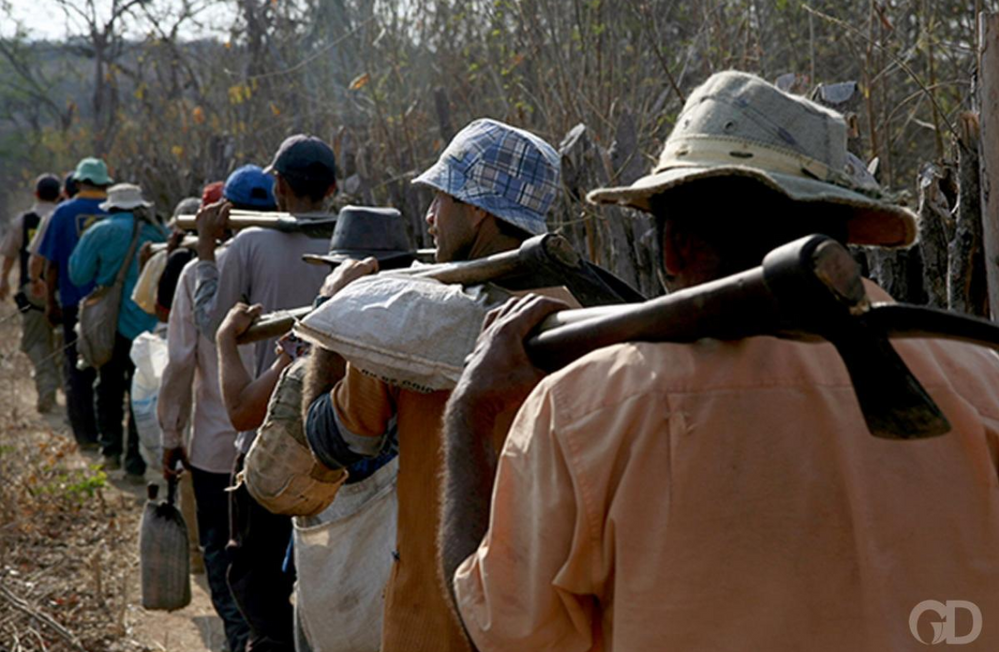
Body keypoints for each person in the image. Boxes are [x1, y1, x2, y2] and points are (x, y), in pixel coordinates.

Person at [436, 71, 999, 651]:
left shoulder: (586, 412)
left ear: (675, 244)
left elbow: (502, 631)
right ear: (839, 233)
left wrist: (471, 415)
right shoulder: (981, 383)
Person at [302, 119, 561, 652]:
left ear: (479, 211)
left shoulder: (410, 323)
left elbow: (331, 442)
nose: (429, 218)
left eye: (441, 200)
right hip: (545, 626)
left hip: (431, 624)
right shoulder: (583, 319)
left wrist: (335, 315)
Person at [194, 141, 335, 652]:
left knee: (253, 571)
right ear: (333, 189)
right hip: (346, 430)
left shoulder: (252, 244)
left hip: (270, 431)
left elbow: (216, 323)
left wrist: (207, 254)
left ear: (278, 188)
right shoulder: (362, 241)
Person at [158, 180, 255, 652]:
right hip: (290, 447)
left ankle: (241, 638)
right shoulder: (313, 256)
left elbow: (179, 363)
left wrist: (170, 434)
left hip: (217, 448)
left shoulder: (201, 274)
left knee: (221, 548)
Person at [68, 183, 166, 479]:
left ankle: (110, 451)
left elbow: (78, 274)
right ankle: (135, 463)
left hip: (110, 325)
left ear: (112, 206)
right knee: (142, 390)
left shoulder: (100, 231)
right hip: (148, 326)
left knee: (107, 385)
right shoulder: (155, 232)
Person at [35, 157, 113, 449]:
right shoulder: (116, 212)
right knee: (109, 369)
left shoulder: (63, 213)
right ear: (104, 183)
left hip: (73, 303)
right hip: (111, 306)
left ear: (79, 182)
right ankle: (111, 435)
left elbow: (52, 264)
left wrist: (50, 303)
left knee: (77, 367)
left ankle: (85, 436)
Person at [0, 174, 63, 413]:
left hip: (31, 294)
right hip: (61, 292)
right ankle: (61, 384)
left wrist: (4, 280)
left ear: (35, 194)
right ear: (59, 194)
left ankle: (46, 385)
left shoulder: (23, 220)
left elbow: (9, 253)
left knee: (33, 339)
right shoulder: (62, 218)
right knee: (59, 338)